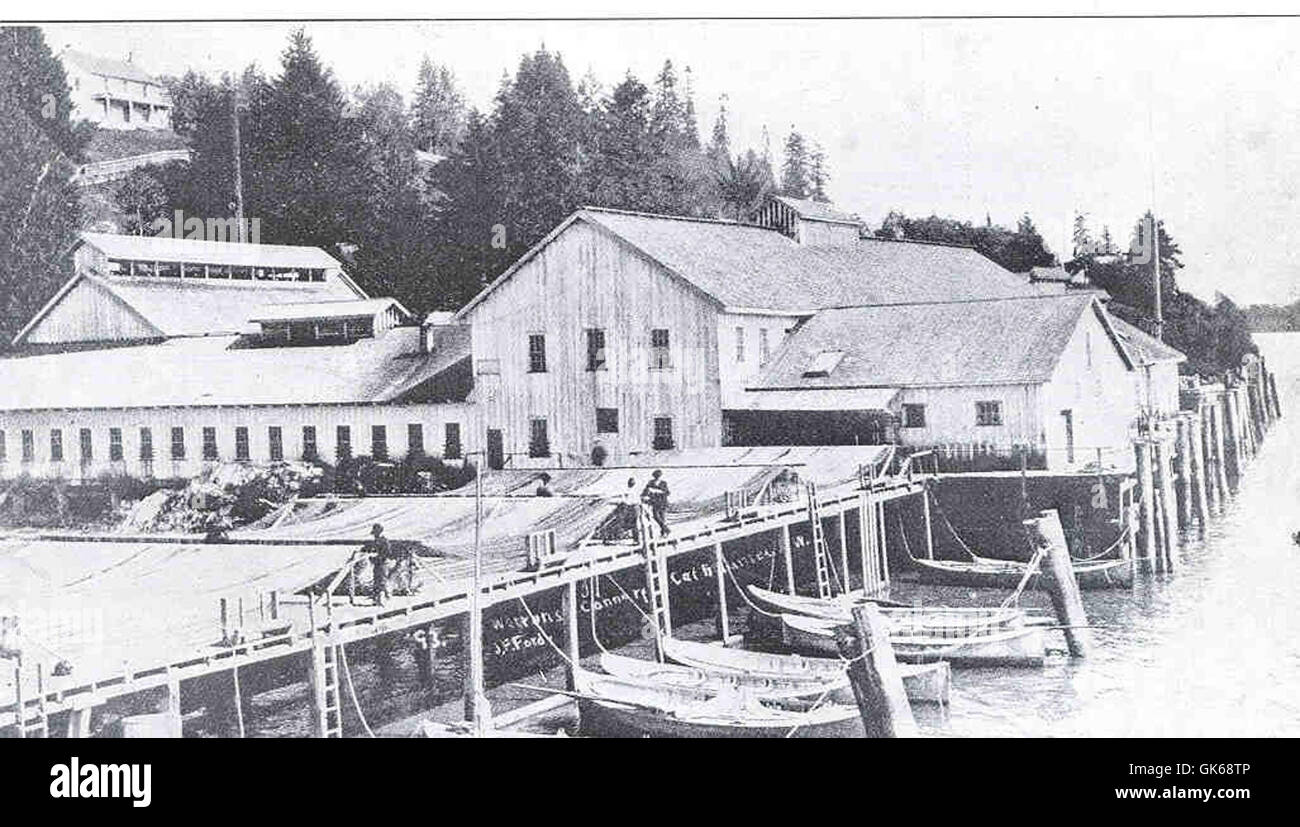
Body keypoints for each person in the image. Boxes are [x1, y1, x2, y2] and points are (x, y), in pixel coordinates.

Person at [365, 523, 392, 605]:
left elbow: (387, 553)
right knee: (377, 580)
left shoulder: (384, 541)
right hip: (378, 563)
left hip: (383, 563)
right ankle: (378, 599)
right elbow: (370, 549)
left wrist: (375, 558)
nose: (374, 535)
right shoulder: (376, 541)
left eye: (376, 533)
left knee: (382, 581)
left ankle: (383, 598)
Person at [641, 469, 670, 536]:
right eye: (656, 476)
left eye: (658, 476)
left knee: (662, 517)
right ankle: (666, 529)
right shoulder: (650, 482)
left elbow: (667, 492)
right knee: (656, 517)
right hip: (655, 503)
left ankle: (663, 533)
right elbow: (645, 491)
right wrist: (643, 496)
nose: (657, 477)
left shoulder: (663, 483)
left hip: (663, 502)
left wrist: (657, 491)